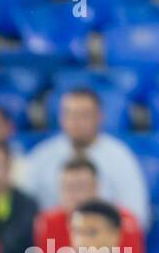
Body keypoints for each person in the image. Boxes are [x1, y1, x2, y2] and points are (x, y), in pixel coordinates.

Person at [25, 89, 149, 228]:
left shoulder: (120, 157)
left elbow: (136, 218)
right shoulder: (41, 156)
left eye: (84, 115)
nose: (76, 121)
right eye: (69, 114)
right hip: (52, 240)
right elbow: (25, 213)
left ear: (99, 117)